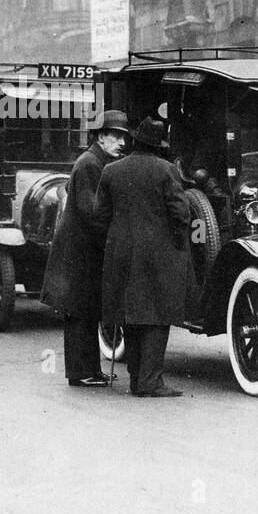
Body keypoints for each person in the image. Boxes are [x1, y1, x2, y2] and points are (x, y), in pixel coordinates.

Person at [96, 117, 200, 398]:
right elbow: (181, 214)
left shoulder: (111, 170)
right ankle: (150, 382)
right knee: (157, 316)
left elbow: (100, 214)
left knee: (131, 313)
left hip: (121, 252)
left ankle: (136, 380)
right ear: (158, 145)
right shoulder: (166, 170)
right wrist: (178, 245)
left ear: (135, 140)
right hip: (159, 254)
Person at [40, 110, 130, 388]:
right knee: (80, 313)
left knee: (86, 312)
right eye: (115, 136)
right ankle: (81, 373)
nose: (122, 143)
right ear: (101, 137)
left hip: (81, 251)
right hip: (80, 253)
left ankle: (89, 371)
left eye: (124, 137)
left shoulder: (95, 160)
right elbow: (91, 211)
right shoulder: (91, 164)